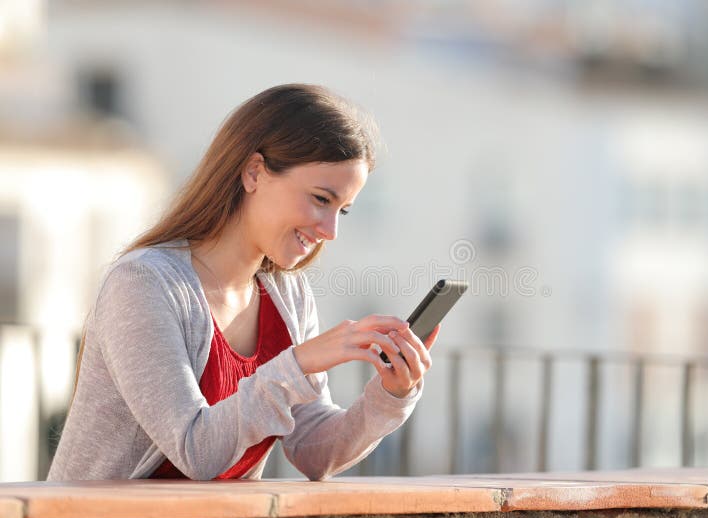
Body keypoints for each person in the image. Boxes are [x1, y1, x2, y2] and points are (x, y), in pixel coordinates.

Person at [47, 84, 439, 481]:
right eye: (321, 199)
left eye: (343, 210)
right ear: (254, 172)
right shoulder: (143, 283)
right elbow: (195, 450)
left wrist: (389, 396)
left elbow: (313, 451)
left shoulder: (288, 295)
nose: (331, 230)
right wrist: (301, 362)